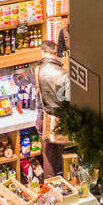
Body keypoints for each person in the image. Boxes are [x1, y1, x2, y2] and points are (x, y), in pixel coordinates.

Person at [35, 40, 69, 179]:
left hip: (45, 119)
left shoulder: (38, 70)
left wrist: (14, 77)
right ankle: (59, 181)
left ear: (43, 52)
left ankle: (51, 187)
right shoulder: (64, 73)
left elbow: (20, 79)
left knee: (48, 155)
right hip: (61, 119)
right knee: (57, 152)